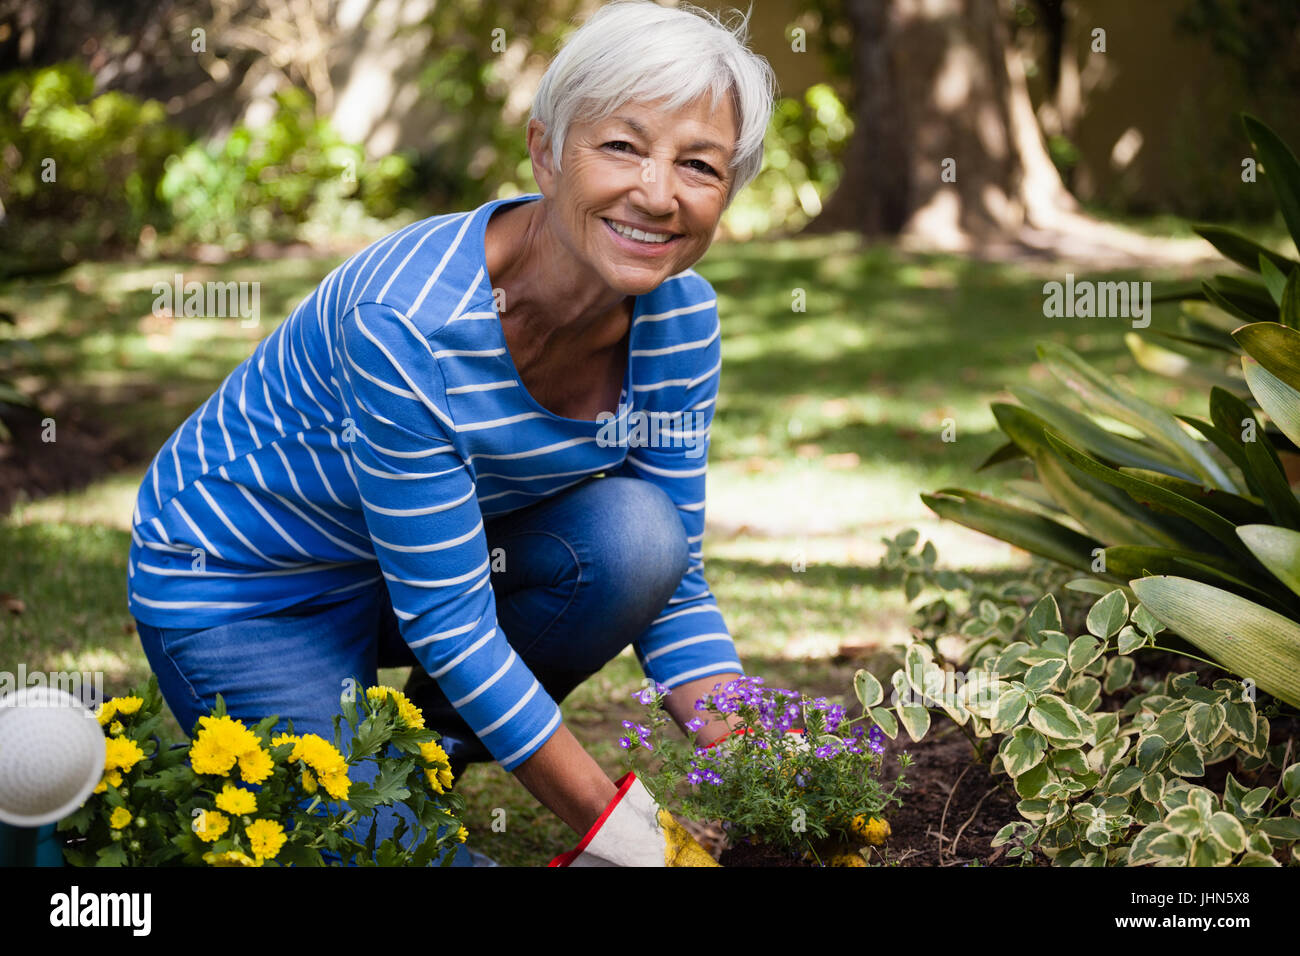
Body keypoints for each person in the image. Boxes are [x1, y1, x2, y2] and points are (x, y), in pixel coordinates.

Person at [126, 0, 777, 865]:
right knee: (400, 858)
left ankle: (408, 769)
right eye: (621, 146)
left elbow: (676, 579)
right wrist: (629, 836)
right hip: (247, 588)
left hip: (425, 571)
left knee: (638, 538)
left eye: (698, 164)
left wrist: (778, 777)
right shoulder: (410, 322)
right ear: (545, 151)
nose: (657, 194)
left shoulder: (681, 318)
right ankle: (365, 795)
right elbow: (451, 622)